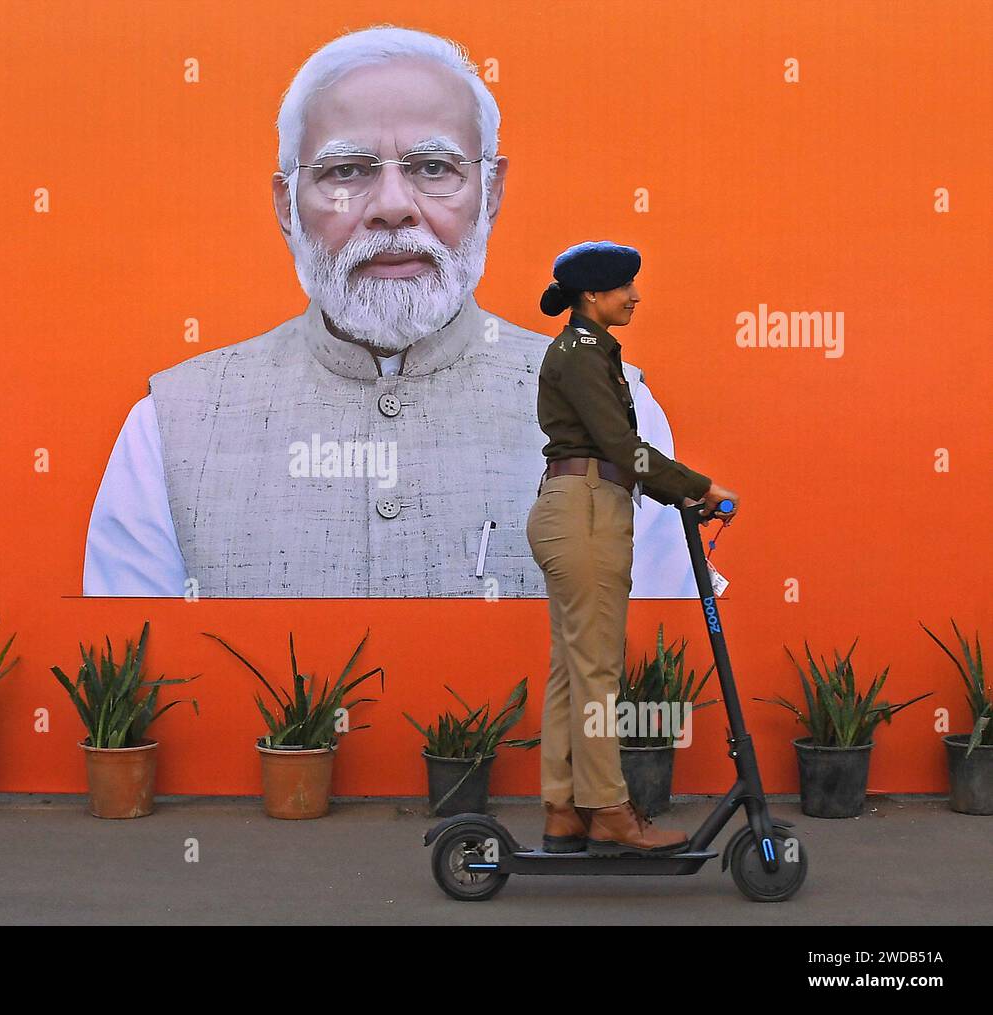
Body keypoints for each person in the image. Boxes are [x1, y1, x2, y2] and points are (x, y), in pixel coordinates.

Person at [82, 25, 705, 600]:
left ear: (490, 196)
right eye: (345, 171)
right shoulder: (169, 430)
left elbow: (653, 671)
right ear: (286, 206)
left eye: (433, 168)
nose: (390, 206)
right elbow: (132, 703)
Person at [526, 240, 739, 856]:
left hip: (578, 505)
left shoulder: (582, 351)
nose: (635, 296)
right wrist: (697, 486)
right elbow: (623, 445)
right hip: (587, 506)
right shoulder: (582, 352)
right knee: (596, 670)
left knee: (572, 670)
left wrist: (677, 489)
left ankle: (564, 809)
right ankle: (610, 810)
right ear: (593, 295)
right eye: (625, 286)